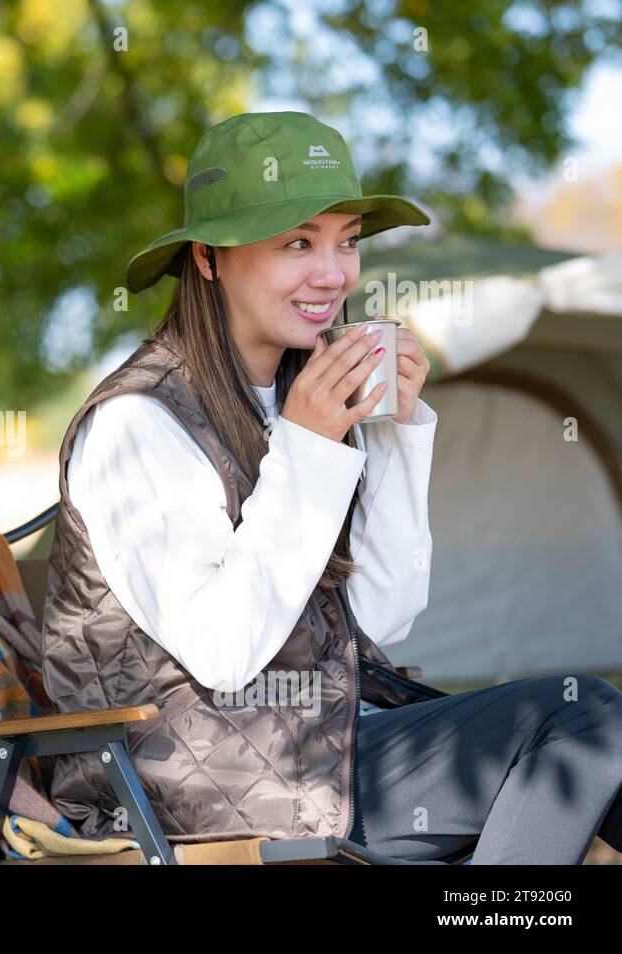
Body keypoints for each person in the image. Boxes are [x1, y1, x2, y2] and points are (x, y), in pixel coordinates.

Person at [38, 110, 622, 864]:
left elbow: (385, 611)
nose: (332, 273)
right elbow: (224, 652)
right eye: (296, 243)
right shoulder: (135, 425)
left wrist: (395, 436)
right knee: (580, 722)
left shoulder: (286, 399)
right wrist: (310, 445)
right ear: (209, 259)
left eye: (346, 242)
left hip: (313, 749)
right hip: (187, 788)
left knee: (599, 751)